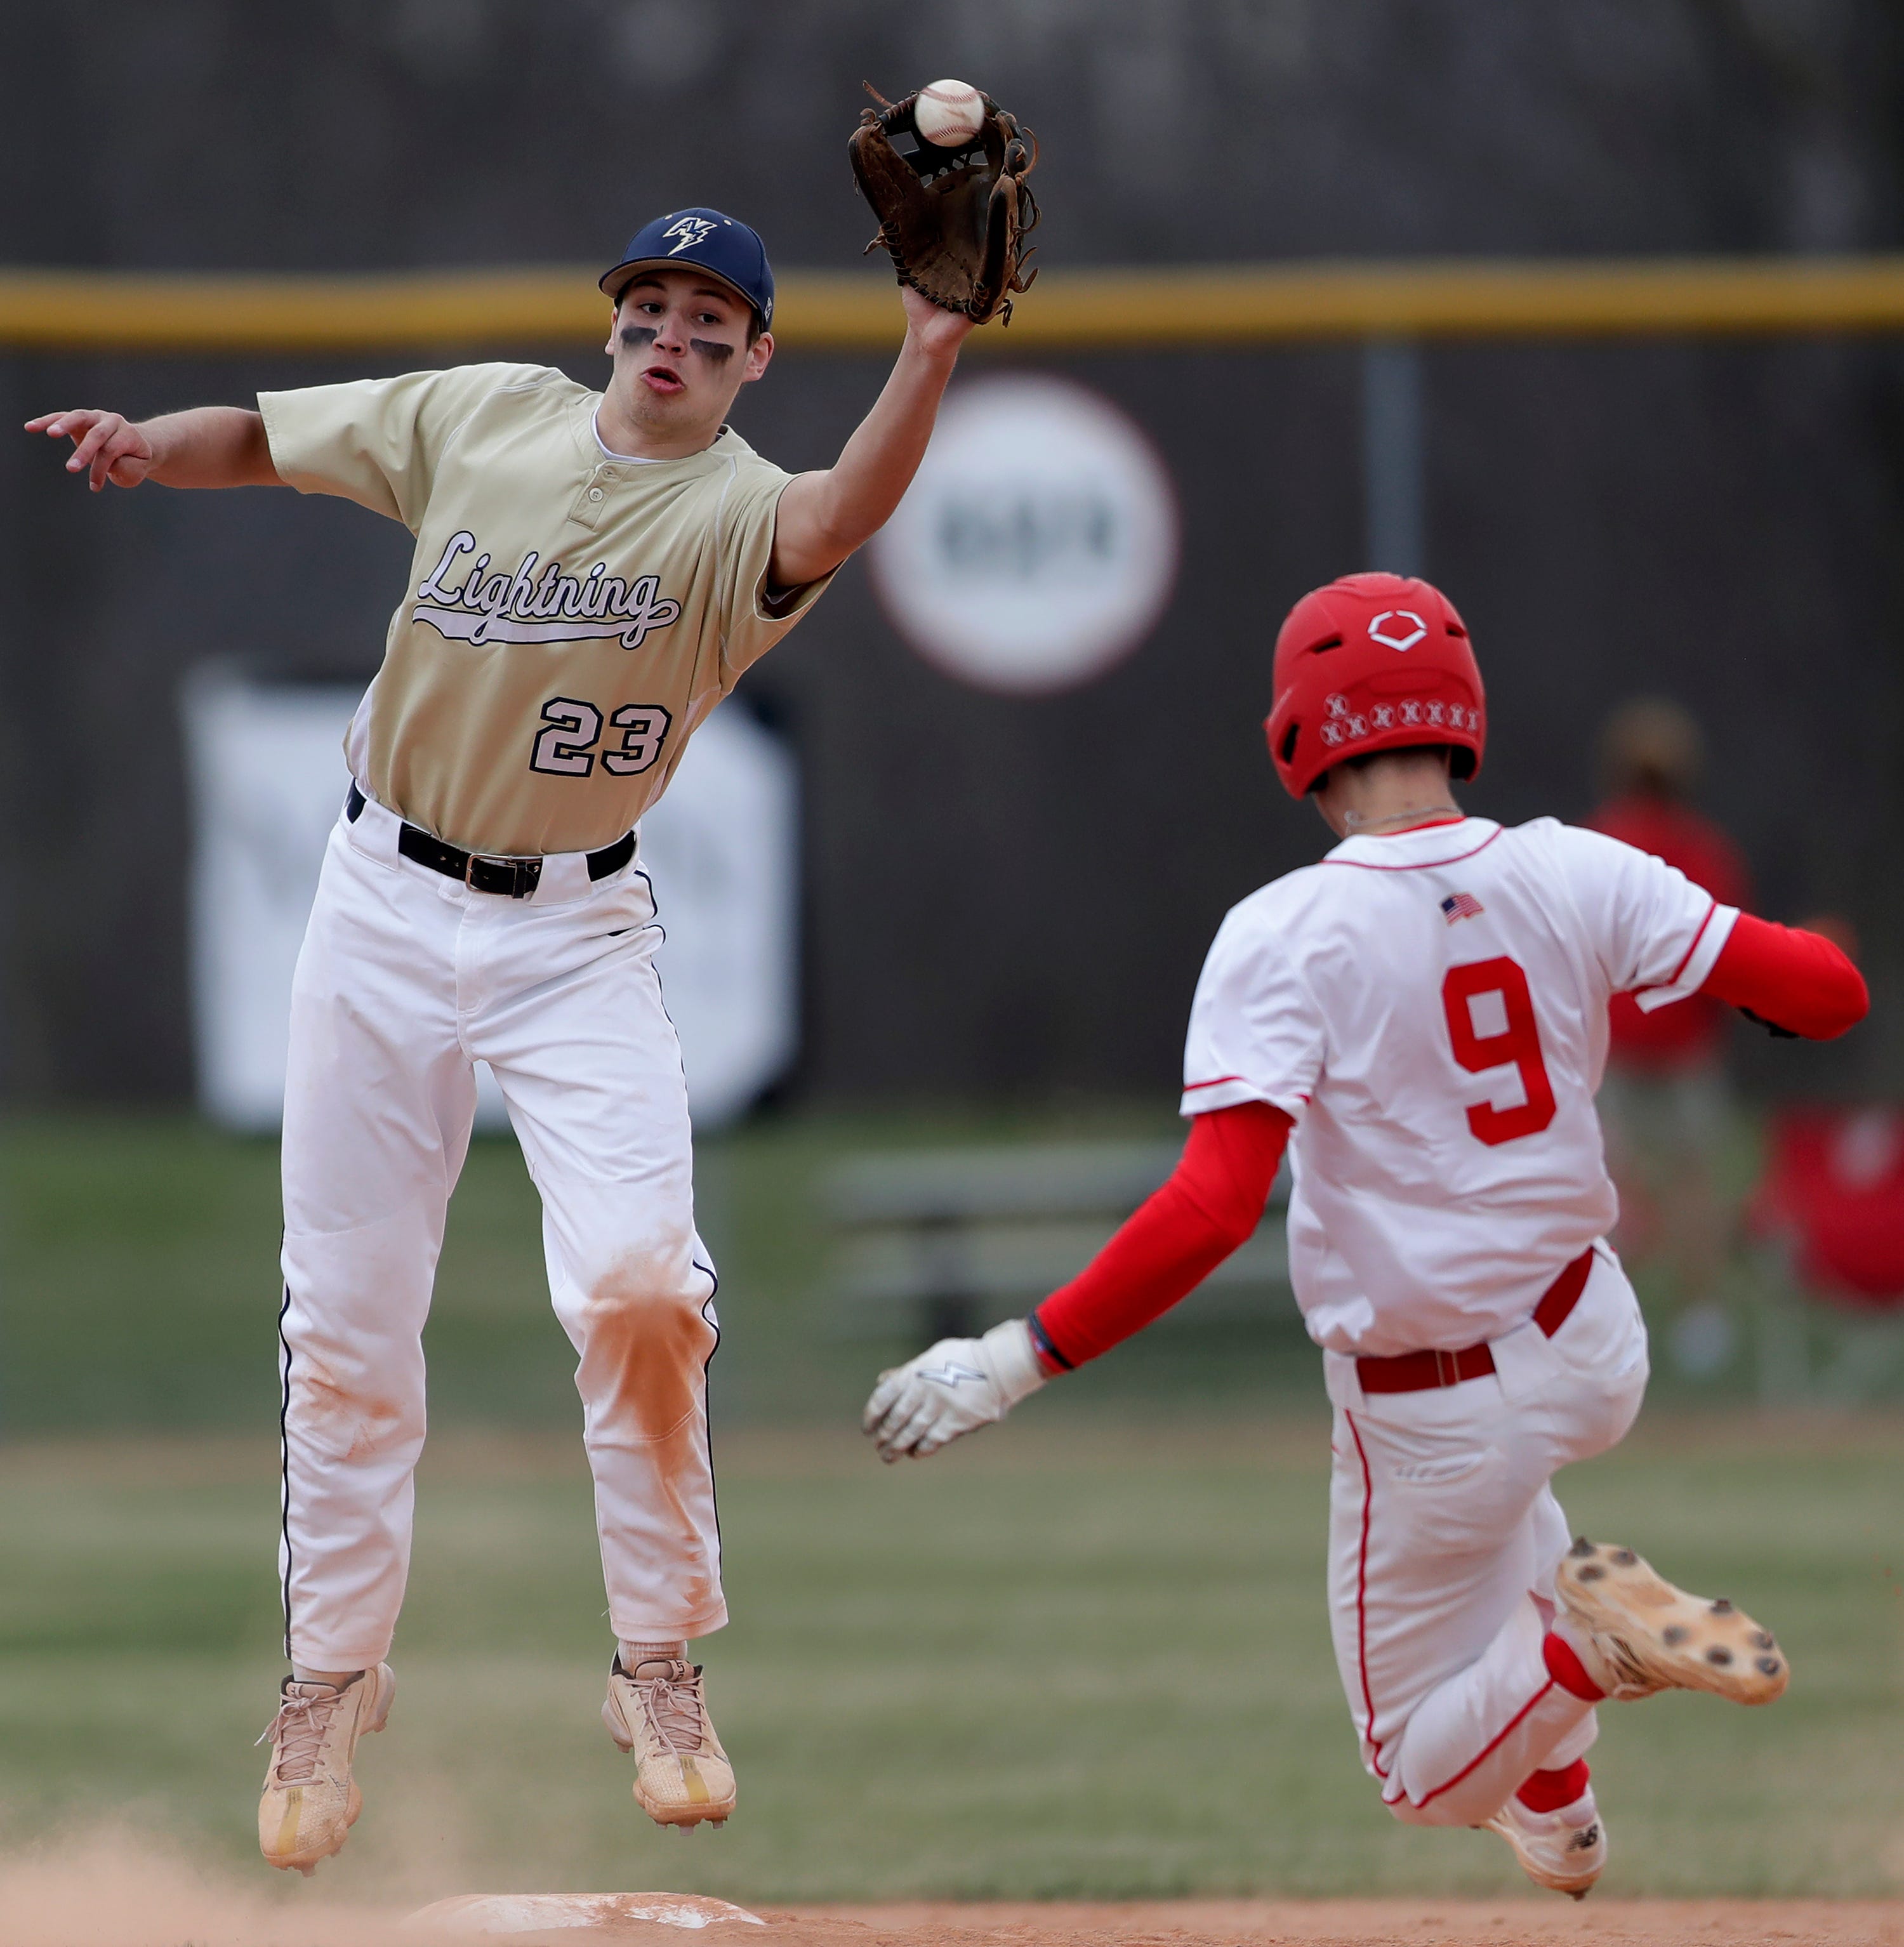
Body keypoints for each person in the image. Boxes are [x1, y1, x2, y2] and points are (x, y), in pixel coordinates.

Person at [29, 207, 975, 1874]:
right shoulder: (486, 415)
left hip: (575, 935)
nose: (671, 335)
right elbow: (270, 438)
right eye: (651, 306)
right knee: (345, 1321)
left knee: (643, 1289)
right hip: (381, 903)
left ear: (756, 356)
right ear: (614, 323)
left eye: (710, 320)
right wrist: (147, 446)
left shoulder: (736, 510)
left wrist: (931, 343)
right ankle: (330, 1679)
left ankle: (657, 1664)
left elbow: (847, 508)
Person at [863, 573, 1867, 1899]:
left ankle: (1585, 1649)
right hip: (1589, 1337)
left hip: (1434, 1400)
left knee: (1418, 1771)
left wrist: (1009, 1360)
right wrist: (1782, 976)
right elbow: (1827, 991)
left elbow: (1212, 1207)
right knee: (1516, 1535)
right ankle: (1561, 1805)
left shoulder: (1286, 931)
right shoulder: (1574, 863)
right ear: (1462, 712)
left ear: (1299, 732)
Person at [1586, 699, 1752, 1343]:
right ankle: (1698, 1318)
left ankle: (1606, 1317)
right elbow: (1727, 953)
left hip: (1614, 1048)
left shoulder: (1597, 841)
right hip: (1682, 1048)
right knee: (1692, 1186)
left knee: (1602, 1186)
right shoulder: (1704, 849)